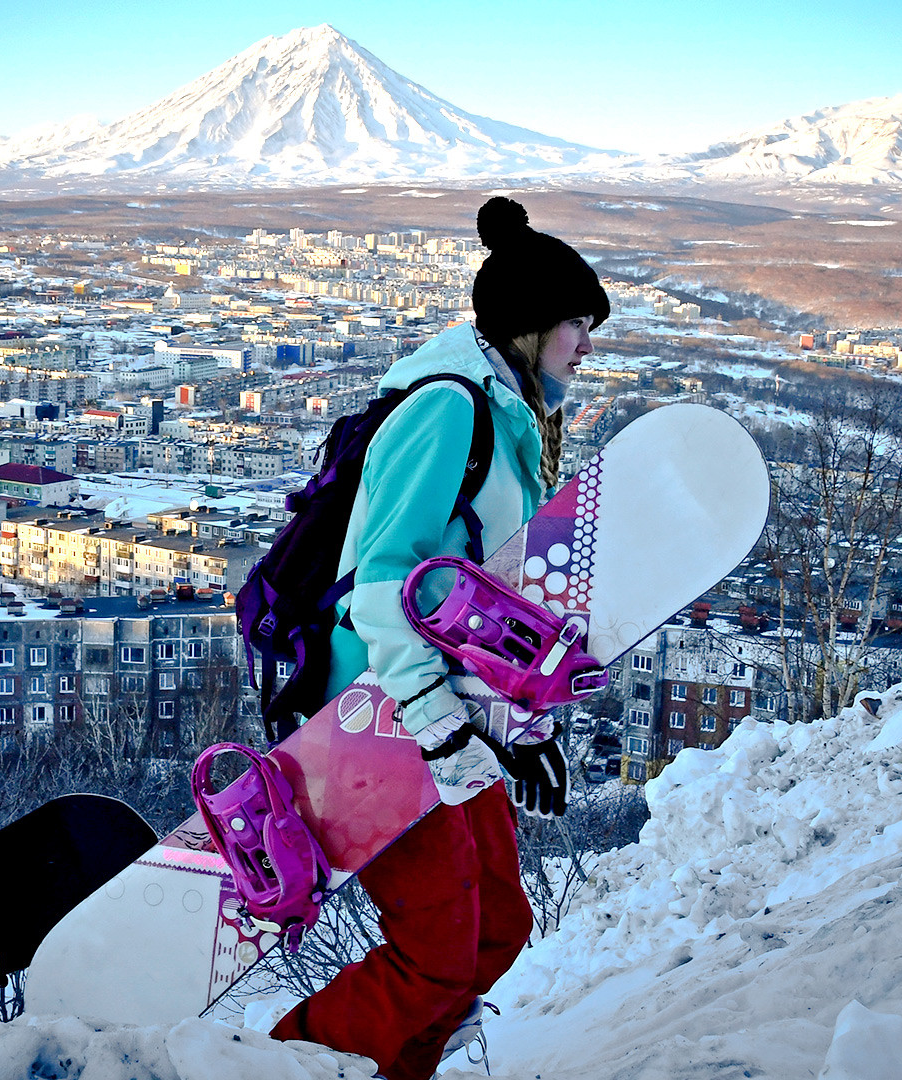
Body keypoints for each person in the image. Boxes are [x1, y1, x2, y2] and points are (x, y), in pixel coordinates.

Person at [269, 196, 608, 1080]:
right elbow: (385, 584)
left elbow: (486, 599)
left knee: (500, 924)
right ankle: (265, 1069)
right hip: (376, 711)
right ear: (532, 322)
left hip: (447, 712)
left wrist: (515, 729)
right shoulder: (449, 409)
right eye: (578, 322)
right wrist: (445, 728)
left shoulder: (513, 414)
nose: (586, 343)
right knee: (438, 955)